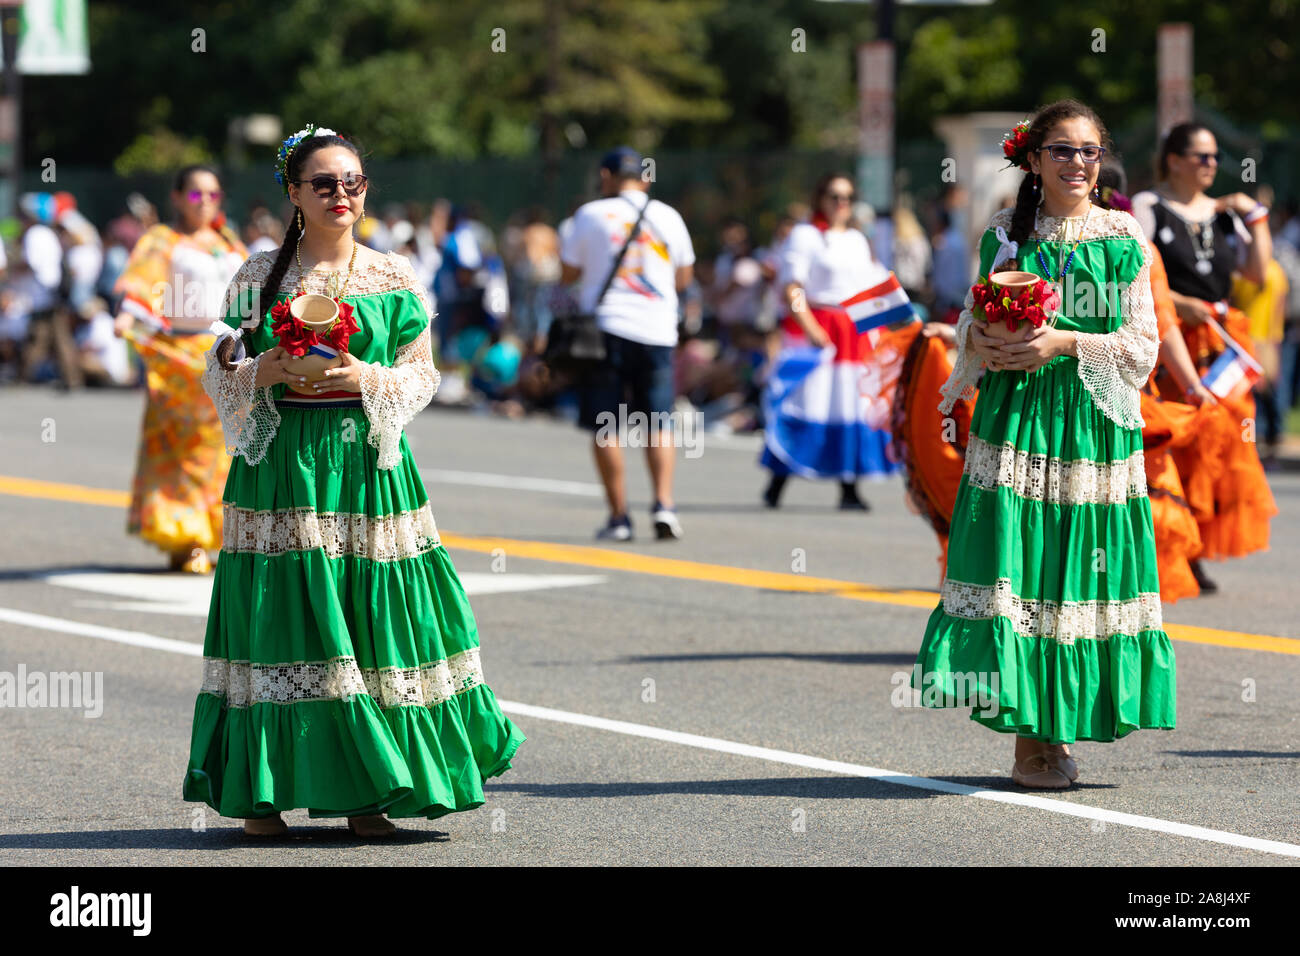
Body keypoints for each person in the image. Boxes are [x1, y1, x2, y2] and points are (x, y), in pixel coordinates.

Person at [187, 124, 524, 838]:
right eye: (325, 184)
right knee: (286, 610)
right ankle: (262, 793)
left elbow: (422, 370)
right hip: (285, 464)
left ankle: (370, 791)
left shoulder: (394, 275)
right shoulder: (258, 275)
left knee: (374, 618)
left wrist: (367, 376)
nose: (342, 194)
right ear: (294, 194)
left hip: (368, 461)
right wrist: (257, 370)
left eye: (353, 182)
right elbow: (218, 356)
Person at [916, 100, 1176, 790]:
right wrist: (988, 345)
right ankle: (1030, 741)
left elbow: (1140, 345)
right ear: (1033, 159)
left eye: (1089, 151)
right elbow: (970, 320)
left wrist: (1061, 341)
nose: (1077, 164)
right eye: (1061, 150)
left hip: (1091, 418)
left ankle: (1059, 729)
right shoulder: (1005, 232)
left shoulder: (1124, 234)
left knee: (1076, 573)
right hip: (1019, 417)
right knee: (1023, 566)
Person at [1131, 123, 1276, 588]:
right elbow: (1136, 273)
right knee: (1178, 440)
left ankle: (1197, 547)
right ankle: (1172, 547)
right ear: (1174, 160)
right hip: (1173, 339)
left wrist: (1255, 215)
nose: (1212, 165)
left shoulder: (1224, 213)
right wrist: (1176, 301)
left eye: (1215, 157)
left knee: (1225, 445)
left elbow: (1257, 274)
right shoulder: (1150, 207)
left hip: (1221, 343)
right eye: (1202, 156)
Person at [110, 166, 248, 573]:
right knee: (187, 451)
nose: (204, 203)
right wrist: (128, 316)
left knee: (227, 450)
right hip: (182, 358)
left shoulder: (228, 242)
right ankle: (185, 535)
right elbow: (141, 285)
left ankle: (221, 534)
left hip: (231, 355)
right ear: (177, 198)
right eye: (195, 195)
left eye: (212, 195)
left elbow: (252, 292)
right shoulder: (163, 240)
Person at [559, 146, 696, 541]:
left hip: (607, 331)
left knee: (607, 424)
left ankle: (619, 518)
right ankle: (665, 506)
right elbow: (683, 279)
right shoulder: (668, 216)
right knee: (659, 421)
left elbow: (569, 272)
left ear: (605, 176)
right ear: (646, 178)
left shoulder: (589, 215)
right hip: (658, 331)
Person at [761, 172, 897, 510]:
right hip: (821, 332)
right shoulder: (805, 235)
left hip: (856, 333)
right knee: (808, 403)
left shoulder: (857, 239)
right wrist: (808, 326)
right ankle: (778, 479)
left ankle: (849, 487)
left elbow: (875, 288)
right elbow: (792, 287)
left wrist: (893, 332)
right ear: (820, 198)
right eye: (834, 196)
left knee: (851, 406)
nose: (841, 204)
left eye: (847, 198)